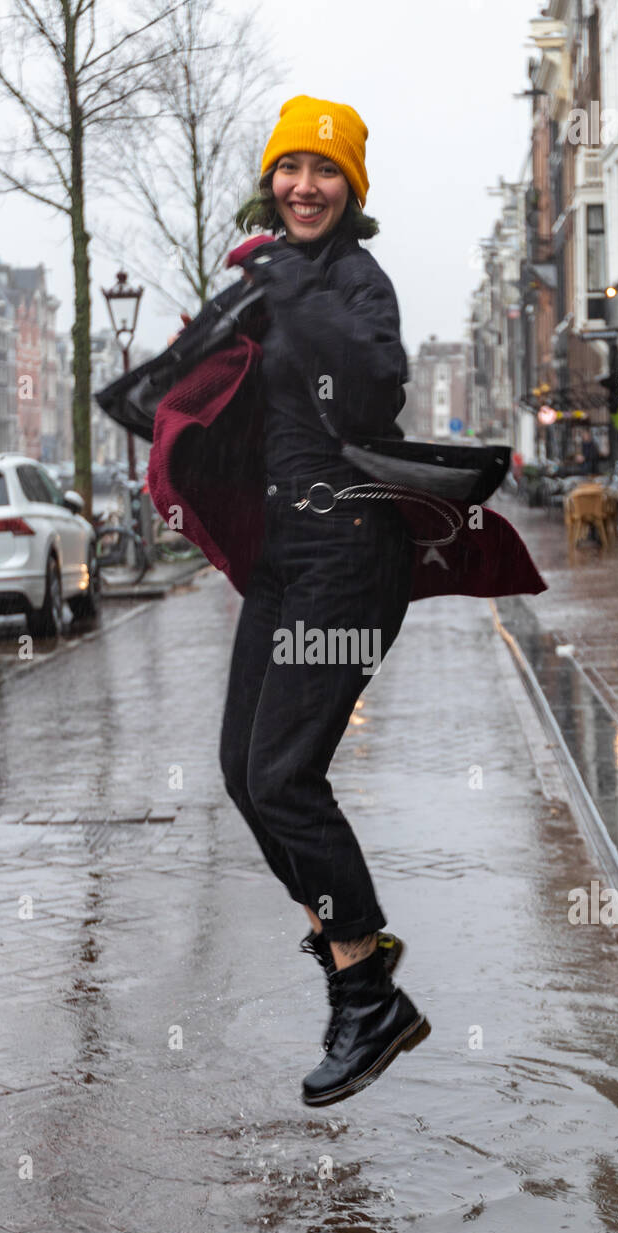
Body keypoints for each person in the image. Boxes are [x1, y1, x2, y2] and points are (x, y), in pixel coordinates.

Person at [212, 96, 429, 1107]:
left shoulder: (352, 280)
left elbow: (375, 387)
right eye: (289, 168)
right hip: (284, 556)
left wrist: (288, 301)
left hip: (346, 553)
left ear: (350, 188)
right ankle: (350, 944)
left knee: (286, 773)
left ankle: (364, 989)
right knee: (240, 773)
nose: (304, 185)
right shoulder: (276, 271)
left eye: (325, 170)